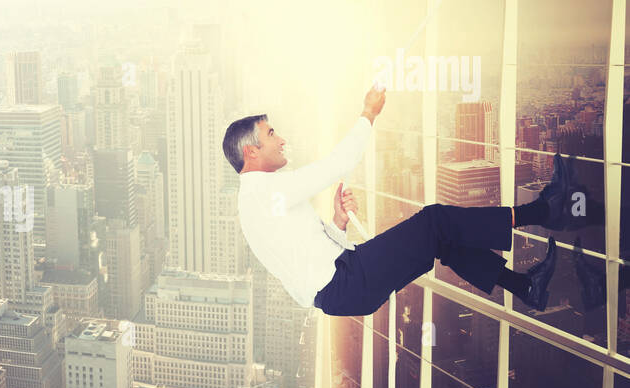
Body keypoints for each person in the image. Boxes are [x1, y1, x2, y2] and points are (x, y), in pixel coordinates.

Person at [226, 87, 578, 317]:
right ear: (251, 151)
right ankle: (545, 209)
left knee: (440, 238)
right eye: (272, 134)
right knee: (435, 221)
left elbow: (298, 255)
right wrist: (369, 113)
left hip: (342, 285)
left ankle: (525, 287)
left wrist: (337, 223)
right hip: (346, 281)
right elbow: (338, 165)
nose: (282, 139)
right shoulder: (264, 192)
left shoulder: (256, 202)